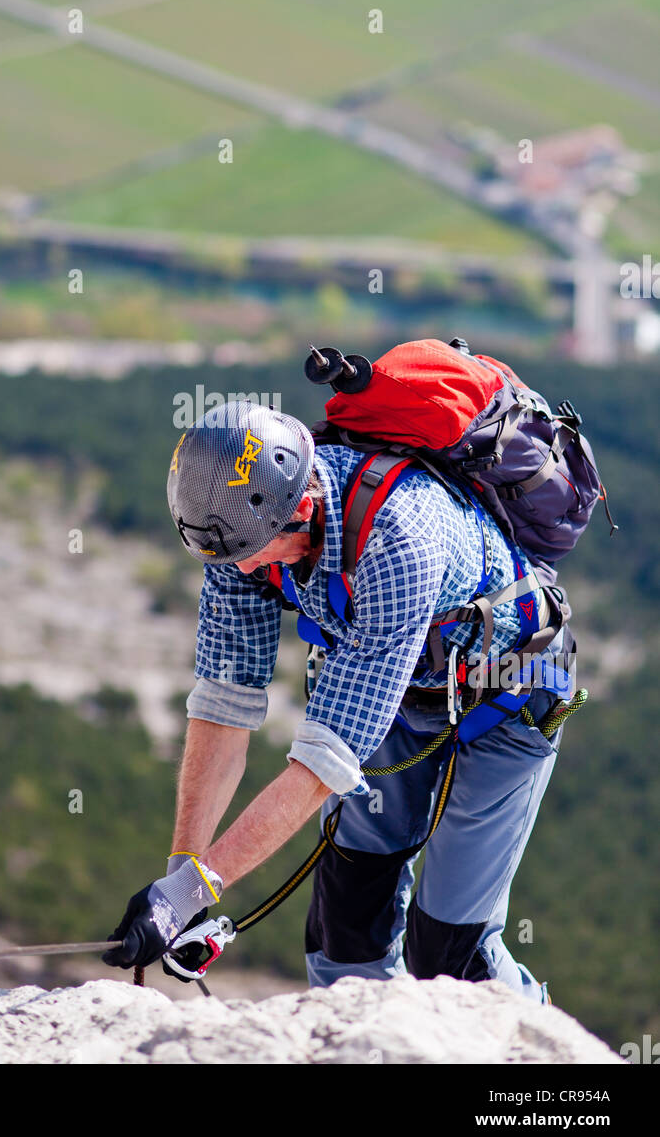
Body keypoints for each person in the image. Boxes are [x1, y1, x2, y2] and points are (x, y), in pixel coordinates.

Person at [104, 399, 568, 1002]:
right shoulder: (236, 536)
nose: (241, 568)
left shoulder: (399, 537)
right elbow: (223, 707)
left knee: (452, 957)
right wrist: (179, 882)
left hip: (506, 705)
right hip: (403, 694)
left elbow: (322, 766)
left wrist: (192, 893)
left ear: (301, 506)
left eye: (251, 551)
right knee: (345, 931)